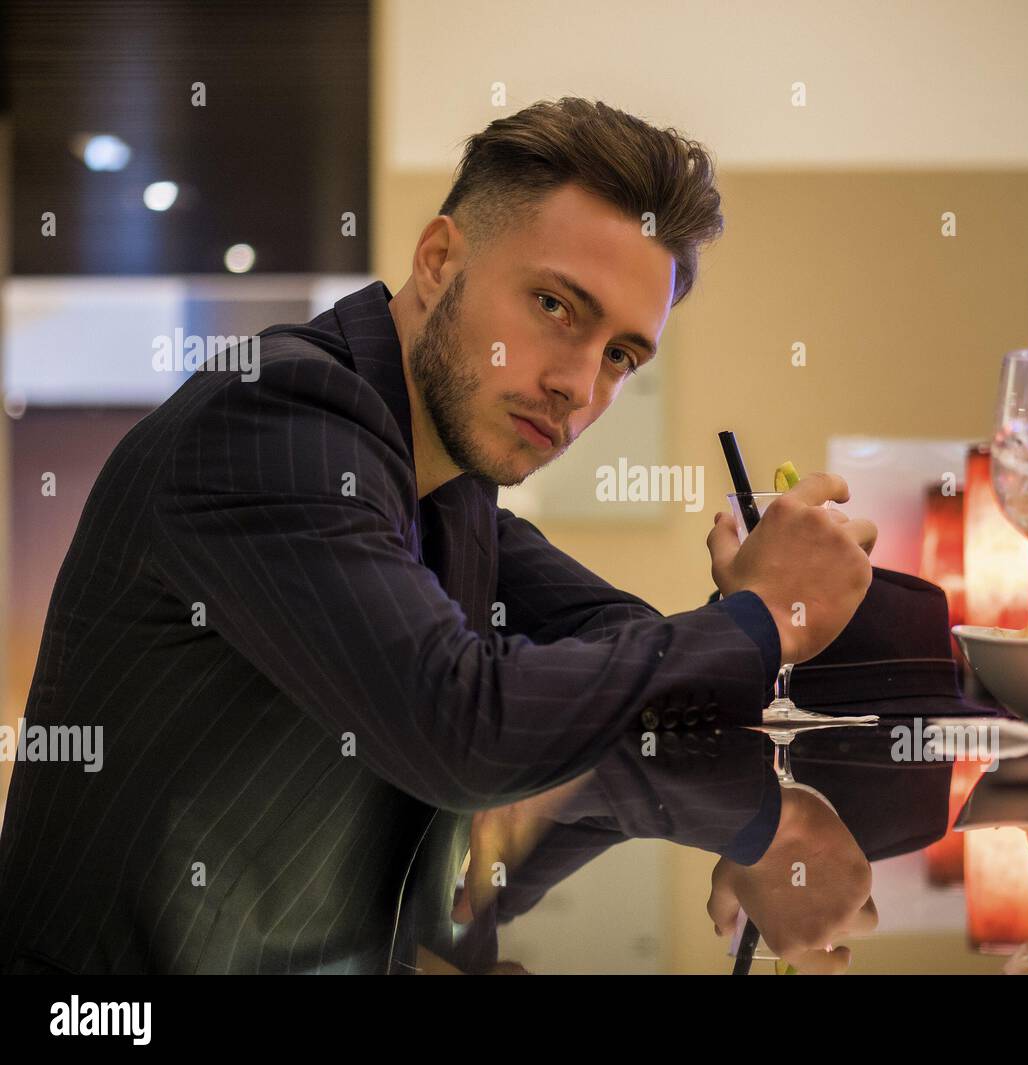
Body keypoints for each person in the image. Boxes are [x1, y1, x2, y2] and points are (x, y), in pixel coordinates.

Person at [0, 98, 876, 973]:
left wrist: (742, 619)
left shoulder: (447, 487)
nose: (580, 384)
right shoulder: (278, 422)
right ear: (438, 260)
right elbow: (465, 728)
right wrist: (761, 614)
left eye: (620, 355)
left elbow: (616, 650)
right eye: (554, 304)